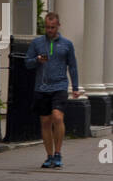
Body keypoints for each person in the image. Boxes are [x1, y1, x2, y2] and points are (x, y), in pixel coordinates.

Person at [24, 12, 80, 169]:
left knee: (57, 117)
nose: (49, 30)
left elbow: (73, 66)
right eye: (47, 27)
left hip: (60, 85)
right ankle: (49, 156)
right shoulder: (37, 43)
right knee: (46, 121)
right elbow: (27, 63)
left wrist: (75, 87)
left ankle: (58, 153)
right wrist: (37, 60)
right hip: (42, 87)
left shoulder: (67, 44)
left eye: (52, 27)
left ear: (58, 26)